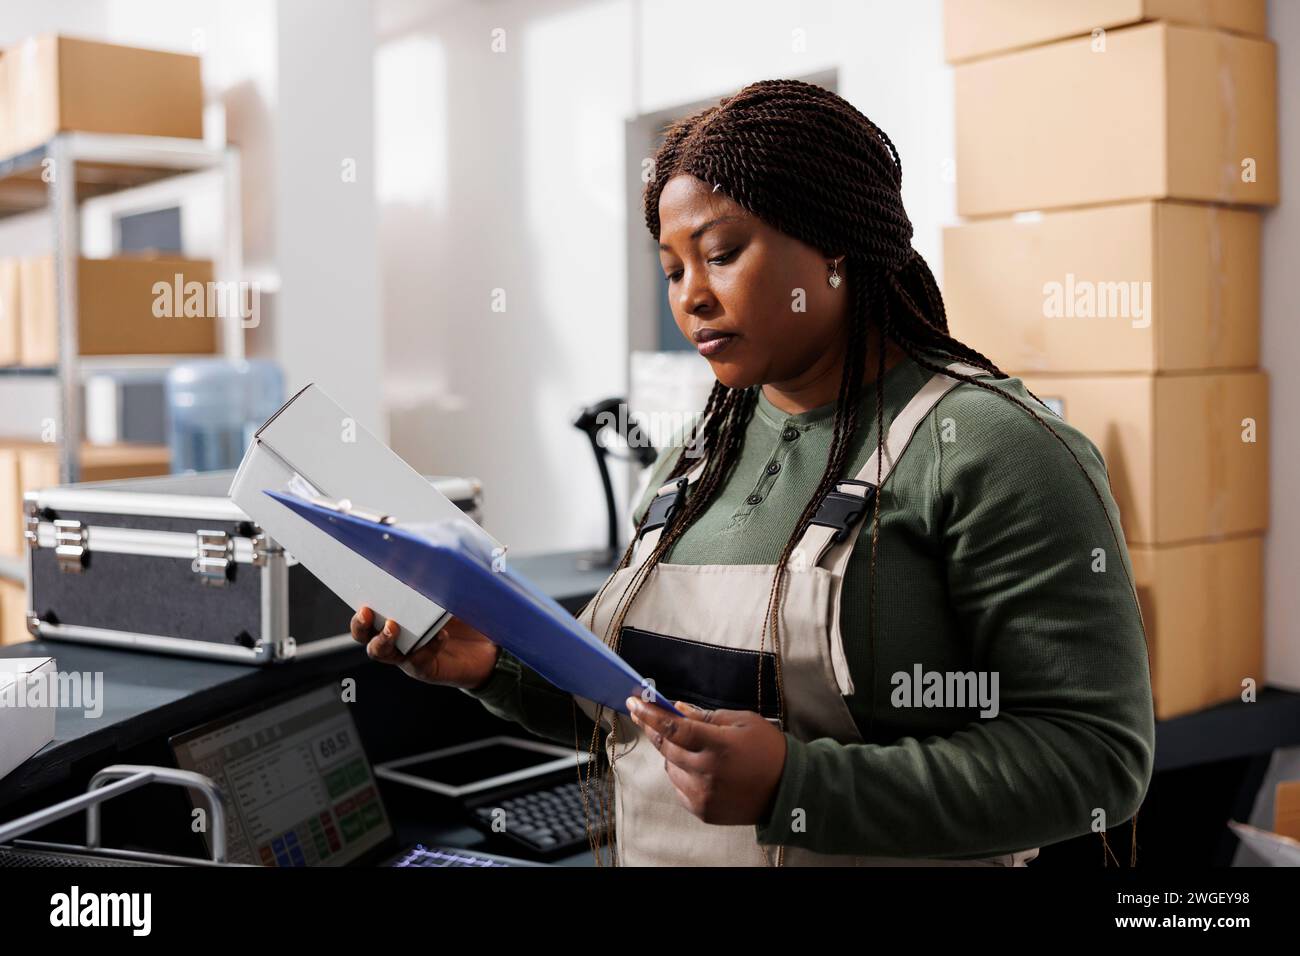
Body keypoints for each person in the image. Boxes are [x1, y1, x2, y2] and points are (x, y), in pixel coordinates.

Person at [351, 79, 1155, 867]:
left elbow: (1095, 757)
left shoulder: (994, 450)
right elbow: (639, 718)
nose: (692, 298)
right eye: (672, 270)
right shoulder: (692, 463)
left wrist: (799, 786)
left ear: (836, 244)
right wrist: (494, 667)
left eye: (722, 254)